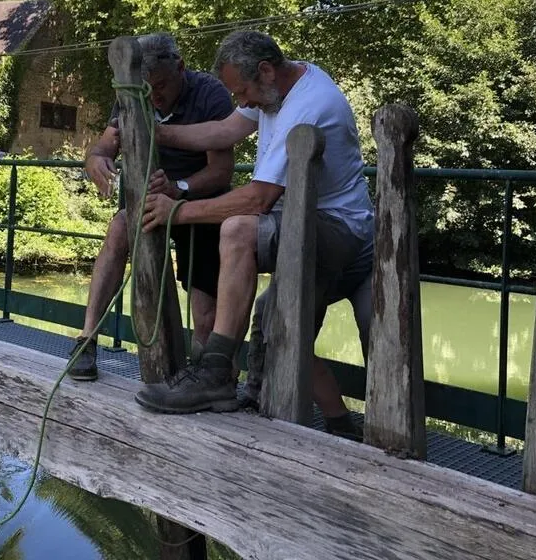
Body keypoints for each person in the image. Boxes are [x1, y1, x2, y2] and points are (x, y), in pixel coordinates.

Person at [138, 30, 373, 439]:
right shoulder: (279, 85)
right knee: (272, 318)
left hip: (337, 228)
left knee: (237, 230)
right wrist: (156, 132)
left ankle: (215, 370)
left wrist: (178, 210)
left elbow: (259, 198)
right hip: (302, 221)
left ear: (265, 71)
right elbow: (223, 132)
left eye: (242, 92)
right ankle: (319, 416)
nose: (242, 103)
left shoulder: (307, 106)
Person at [68, 33, 234, 381]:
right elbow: (102, 147)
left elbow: (220, 172)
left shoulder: (210, 94)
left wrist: (178, 188)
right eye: (148, 88)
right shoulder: (132, 92)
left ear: (180, 67)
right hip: (150, 203)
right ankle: (87, 339)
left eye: (160, 86)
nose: (154, 96)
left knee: (205, 313)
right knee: (118, 228)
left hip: (199, 206)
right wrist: (96, 161)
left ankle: (205, 377)